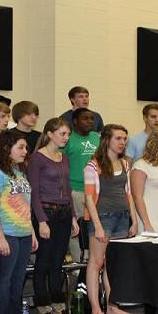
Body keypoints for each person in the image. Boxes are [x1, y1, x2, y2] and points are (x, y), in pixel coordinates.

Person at [0, 131, 37, 314]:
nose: (25, 151)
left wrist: (31, 233)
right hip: (4, 232)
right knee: (2, 278)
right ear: (6, 149)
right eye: (20, 147)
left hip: (22, 232)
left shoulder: (19, 173)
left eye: (25, 147)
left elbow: (26, 205)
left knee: (17, 279)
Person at [84, 125, 138, 314]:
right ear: (107, 140)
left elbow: (128, 193)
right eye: (118, 138)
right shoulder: (93, 165)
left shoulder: (125, 164)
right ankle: (97, 310)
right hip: (103, 216)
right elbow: (89, 198)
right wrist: (97, 225)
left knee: (113, 264)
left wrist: (133, 219)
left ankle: (112, 306)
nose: (123, 142)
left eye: (125, 138)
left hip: (122, 216)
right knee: (96, 262)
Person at [28, 118, 79, 314]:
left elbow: (67, 189)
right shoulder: (38, 158)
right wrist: (41, 220)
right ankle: (43, 308)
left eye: (68, 135)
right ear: (49, 134)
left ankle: (60, 306)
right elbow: (33, 192)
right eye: (62, 134)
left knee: (58, 261)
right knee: (44, 261)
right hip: (46, 212)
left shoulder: (63, 157)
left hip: (64, 212)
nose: (66, 138)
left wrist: (74, 216)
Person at [63, 107, 101, 261]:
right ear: (75, 122)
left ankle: (92, 260)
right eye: (85, 119)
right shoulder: (68, 139)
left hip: (96, 190)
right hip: (76, 190)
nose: (89, 122)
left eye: (91, 119)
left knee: (94, 226)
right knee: (77, 228)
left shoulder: (97, 137)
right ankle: (78, 264)